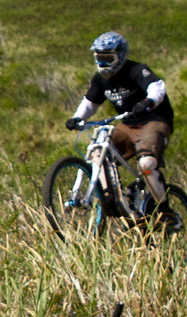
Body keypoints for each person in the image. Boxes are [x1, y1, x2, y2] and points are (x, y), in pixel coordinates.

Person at [65, 31, 174, 209]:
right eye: (99, 57)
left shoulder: (137, 70)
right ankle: (111, 197)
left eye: (108, 58)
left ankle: (164, 210)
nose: (102, 63)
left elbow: (157, 87)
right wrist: (77, 118)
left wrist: (148, 101)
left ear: (120, 55)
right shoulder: (100, 79)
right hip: (128, 125)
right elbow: (90, 103)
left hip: (154, 121)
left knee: (146, 164)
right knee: (98, 153)